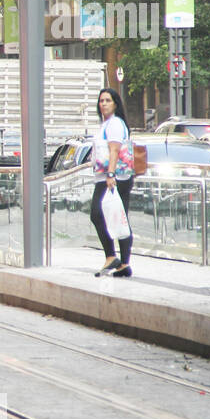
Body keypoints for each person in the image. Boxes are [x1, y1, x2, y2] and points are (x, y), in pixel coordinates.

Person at [88, 87, 135, 277]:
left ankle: (111, 256)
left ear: (115, 103)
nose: (104, 104)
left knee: (98, 214)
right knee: (117, 217)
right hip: (109, 176)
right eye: (101, 101)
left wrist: (110, 174)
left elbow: (114, 150)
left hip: (113, 177)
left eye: (107, 100)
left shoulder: (115, 123)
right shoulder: (106, 124)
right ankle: (123, 264)